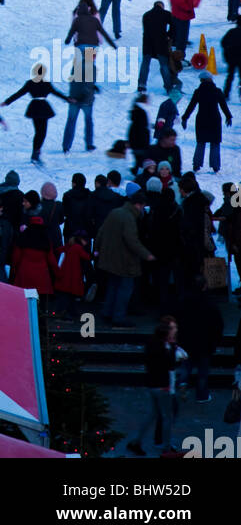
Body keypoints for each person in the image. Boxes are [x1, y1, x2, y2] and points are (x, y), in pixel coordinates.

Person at [96, 190, 155, 327]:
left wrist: (97, 249)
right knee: (125, 289)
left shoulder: (115, 212)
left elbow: (101, 231)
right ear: (138, 205)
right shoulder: (129, 218)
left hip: (110, 258)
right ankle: (118, 317)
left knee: (113, 286)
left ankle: (107, 312)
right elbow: (131, 241)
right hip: (124, 260)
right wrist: (146, 254)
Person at [126, 316, 181, 456]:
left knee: (152, 414)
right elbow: (169, 364)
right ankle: (166, 448)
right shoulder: (166, 346)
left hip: (151, 384)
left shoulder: (152, 342)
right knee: (167, 417)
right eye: (174, 327)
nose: (176, 330)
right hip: (163, 385)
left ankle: (136, 441)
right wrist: (174, 349)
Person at [3, 65, 70, 167]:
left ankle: (36, 152)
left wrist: (7, 102)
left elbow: (19, 94)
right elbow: (56, 93)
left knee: (38, 132)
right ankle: (36, 152)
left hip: (34, 108)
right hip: (43, 108)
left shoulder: (30, 83)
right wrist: (67, 99)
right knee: (42, 132)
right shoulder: (46, 83)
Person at [175, 274, 224, 404]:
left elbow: (177, 320)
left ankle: (182, 382)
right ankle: (201, 395)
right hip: (205, 342)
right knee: (203, 370)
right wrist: (217, 340)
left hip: (187, 340)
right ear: (204, 286)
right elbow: (218, 324)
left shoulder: (183, 301)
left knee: (186, 365)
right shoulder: (210, 304)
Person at [10, 192, 58, 302]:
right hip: (40, 273)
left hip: (26, 269)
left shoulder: (39, 216)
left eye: (26, 201)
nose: (23, 203)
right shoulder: (25, 213)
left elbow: (16, 256)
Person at [181, 72, 232, 173]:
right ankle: (215, 166)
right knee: (215, 143)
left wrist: (185, 118)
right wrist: (228, 116)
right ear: (211, 79)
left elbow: (191, 106)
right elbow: (223, 105)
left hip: (201, 120)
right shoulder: (217, 91)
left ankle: (197, 164)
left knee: (201, 143)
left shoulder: (198, 92)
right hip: (215, 120)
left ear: (201, 80)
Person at [138, 0, 175, 93]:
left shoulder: (146, 15)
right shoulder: (166, 14)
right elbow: (174, 26)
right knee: (164, 65)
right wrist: (169, 35)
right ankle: (168, 87)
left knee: (145, 64)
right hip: (161, 42)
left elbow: (145, 29)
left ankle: (141, 85)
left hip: (147, 42)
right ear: (162, 6)